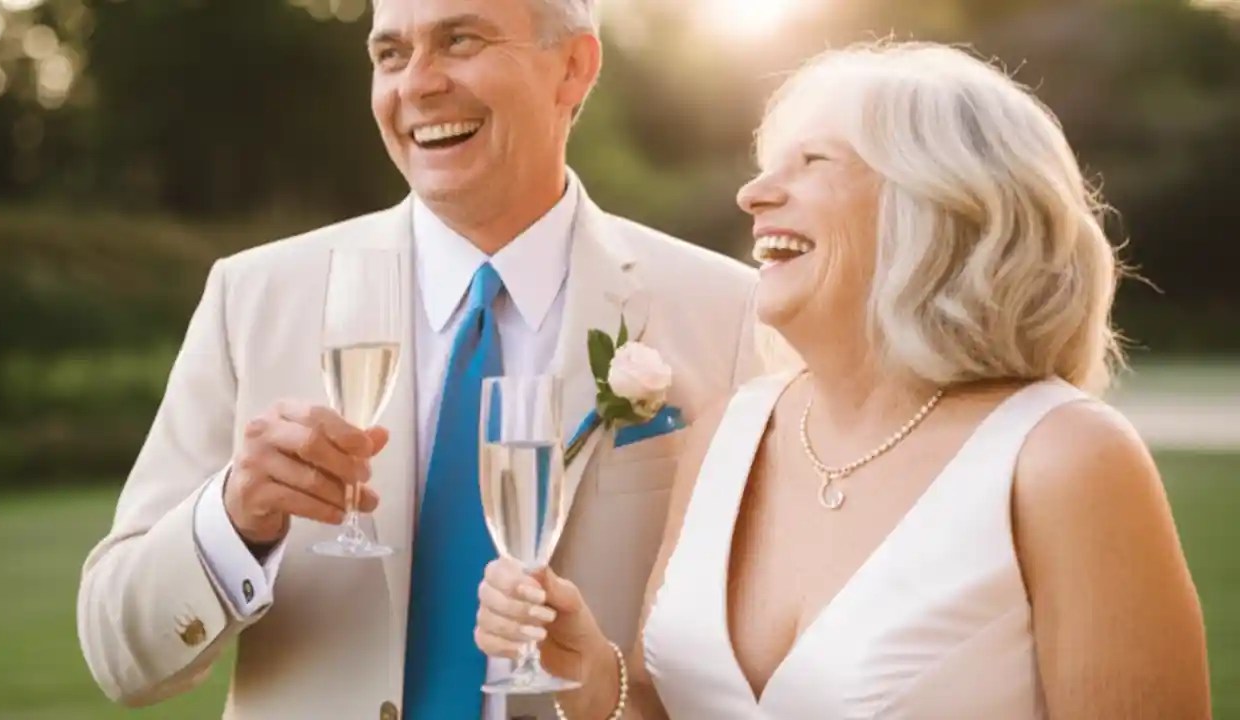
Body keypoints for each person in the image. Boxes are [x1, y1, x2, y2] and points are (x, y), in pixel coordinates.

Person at [474, 41, 1212, 719]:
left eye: (812, 162)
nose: (753, 193)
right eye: (767, 164)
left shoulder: (1065, 458)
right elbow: (659, 708)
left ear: (938, 205)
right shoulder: (727, 434)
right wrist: (595, 675)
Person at [75, 1, 759, 718]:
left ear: (574, 68)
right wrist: (233, 519)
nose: (417, 85)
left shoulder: (730, 313)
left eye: (459, 40)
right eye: (391, 54)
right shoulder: (250, 298)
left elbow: (761, 674)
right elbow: (118, 656)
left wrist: (605, 686)